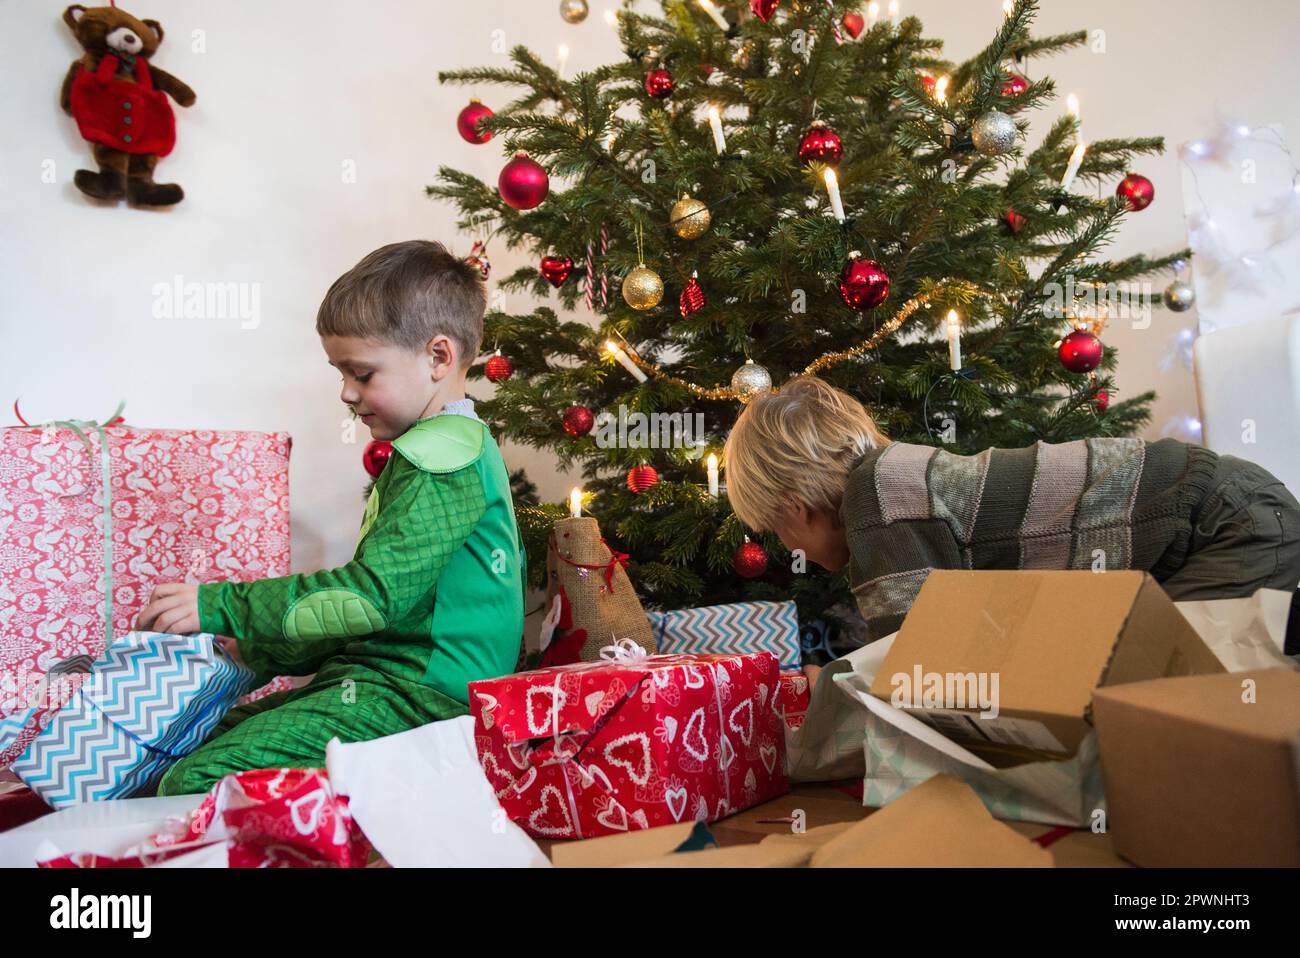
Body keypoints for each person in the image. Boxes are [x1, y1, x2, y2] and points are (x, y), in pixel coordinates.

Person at [137, 240, 525, 796]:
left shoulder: (446, 459)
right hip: (381, 678)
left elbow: (367, 598)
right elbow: (381, 611)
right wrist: (260, 651)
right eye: (340, 373)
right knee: (190, 743)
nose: (346, 392)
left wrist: (216, 605)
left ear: (439, 357)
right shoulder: (442, 447)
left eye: (362, 373)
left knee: (199, 779)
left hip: (423, 694)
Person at [723, 375, 1300, 654]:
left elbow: (913, 663)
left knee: (1176, 697)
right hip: (1225, 509)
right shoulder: (895, 482)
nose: (788, 548)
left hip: (1225, 520)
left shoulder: (875, 496)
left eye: (777, 531)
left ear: (794, 506)